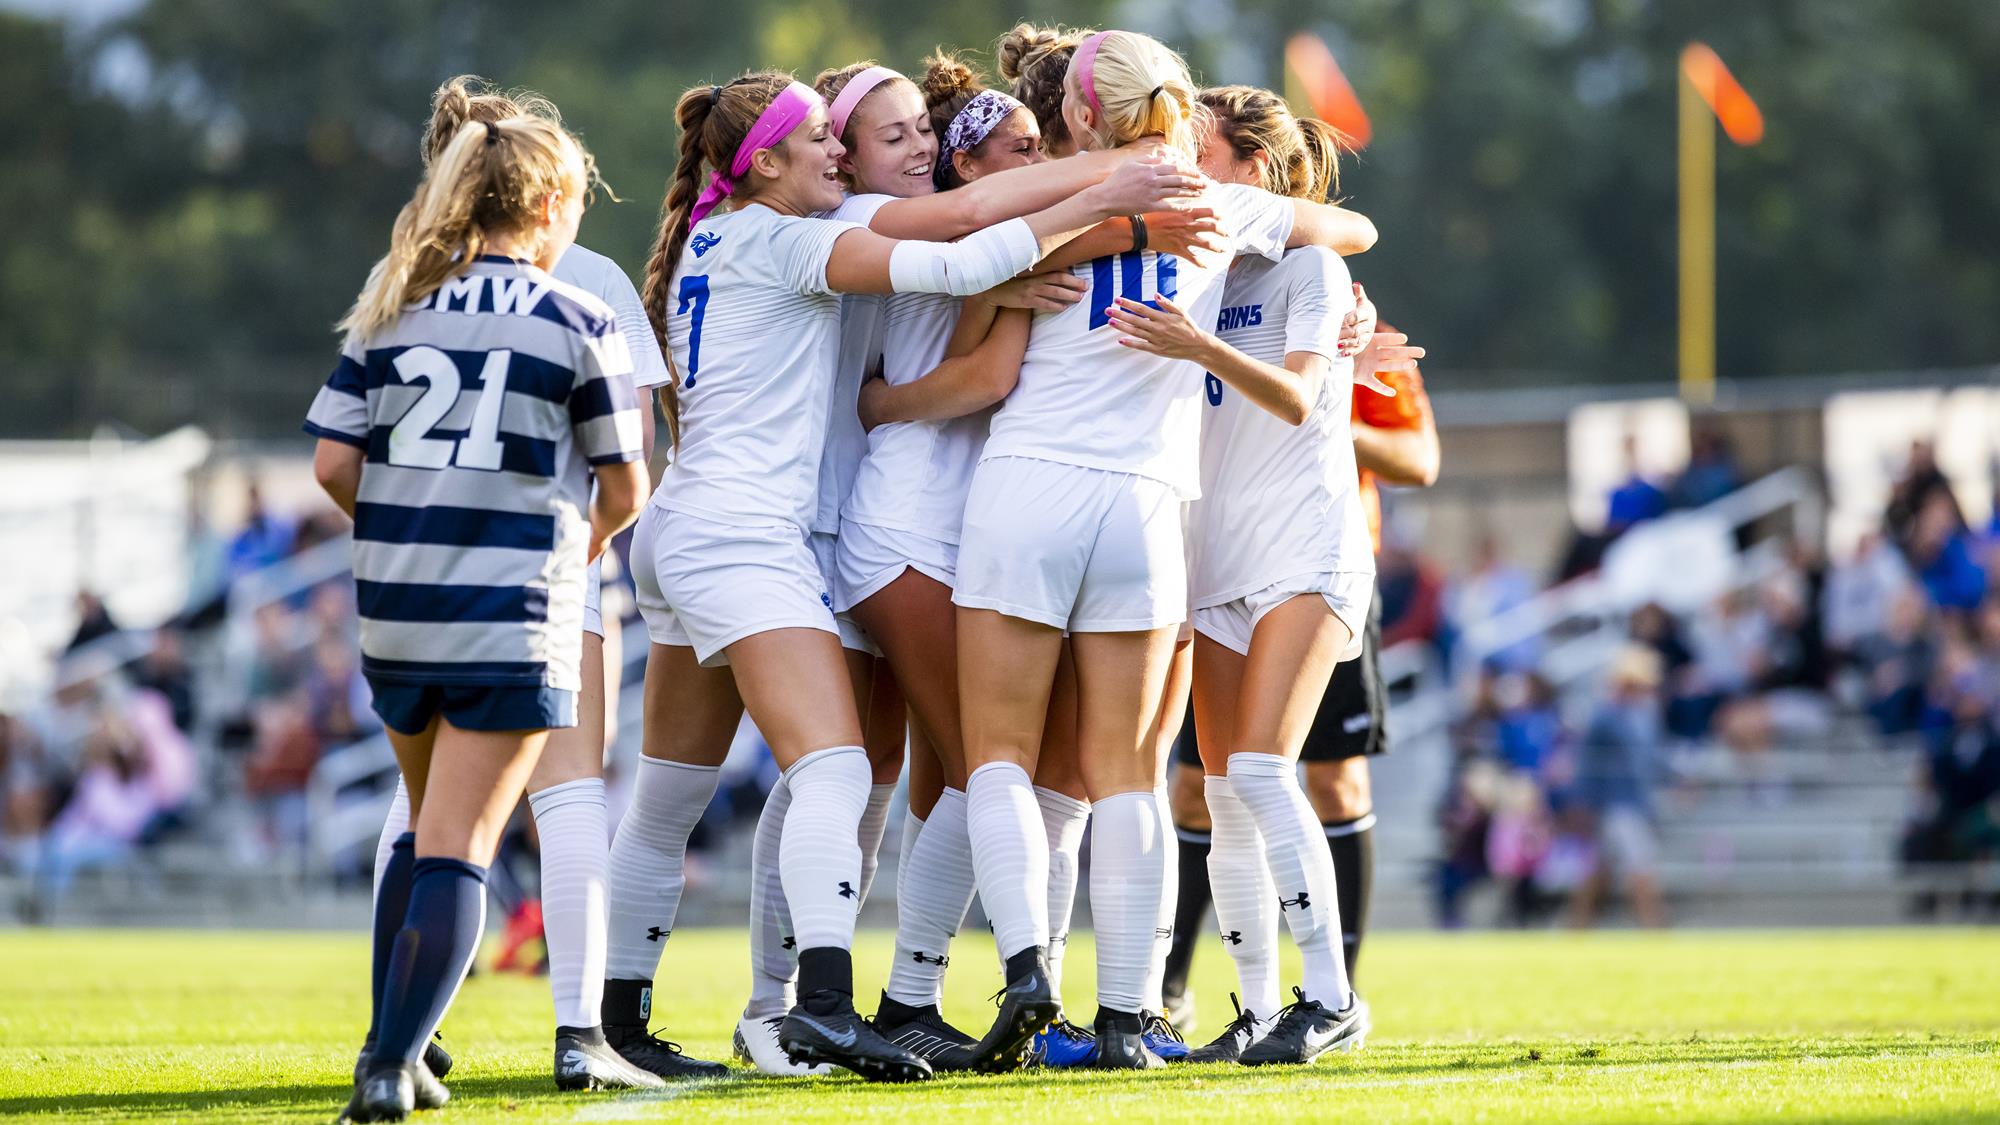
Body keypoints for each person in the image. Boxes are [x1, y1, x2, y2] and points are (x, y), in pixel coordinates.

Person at [604, 69, 1198, 1084]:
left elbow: (961, 233)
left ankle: (616, 1023)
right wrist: (1103, 193)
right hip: (758, 534)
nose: (845, 155)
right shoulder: (802, 232)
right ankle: (824, 1008)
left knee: (678, 796)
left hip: (703, 524)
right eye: (837, 139)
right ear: (772, 160)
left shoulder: (719, 229)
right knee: (840, 770)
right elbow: (961, 231)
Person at [949, 30, 1378, 1071]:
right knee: (1140, 777)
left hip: (1035, 484)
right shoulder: (1216, 209)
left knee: (999, 758)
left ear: (1082, 113)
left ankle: (1023, 980)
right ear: (1177, 111)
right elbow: (1350, 223)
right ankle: (1133, 1015)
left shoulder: (1044, 191)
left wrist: (1038, 263)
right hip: (1153, 512)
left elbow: (965, 301)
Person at [304, 105, 648, 1120]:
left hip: (397, 608)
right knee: (461, 843)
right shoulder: (576, 319)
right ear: (548, 206)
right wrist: (565, 550)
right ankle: (387, 1064)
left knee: (419, 828)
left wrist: (413, 528)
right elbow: (625, 488)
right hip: (510, 611)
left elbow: (332, 462)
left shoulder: (393, 305)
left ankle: (395, 1048)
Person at [1105, 83, 1380, 1066]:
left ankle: (1332, 995)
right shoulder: (1198, 268)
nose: (1185, 163)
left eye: (1201, 148)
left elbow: (1298, 395)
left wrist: (1197, 343)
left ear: (1249, 169)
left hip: (1304, 547)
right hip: (1215, 559)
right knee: (1221, 795)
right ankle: (1261, 1009)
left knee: (1262, 770)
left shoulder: (1308, 267)